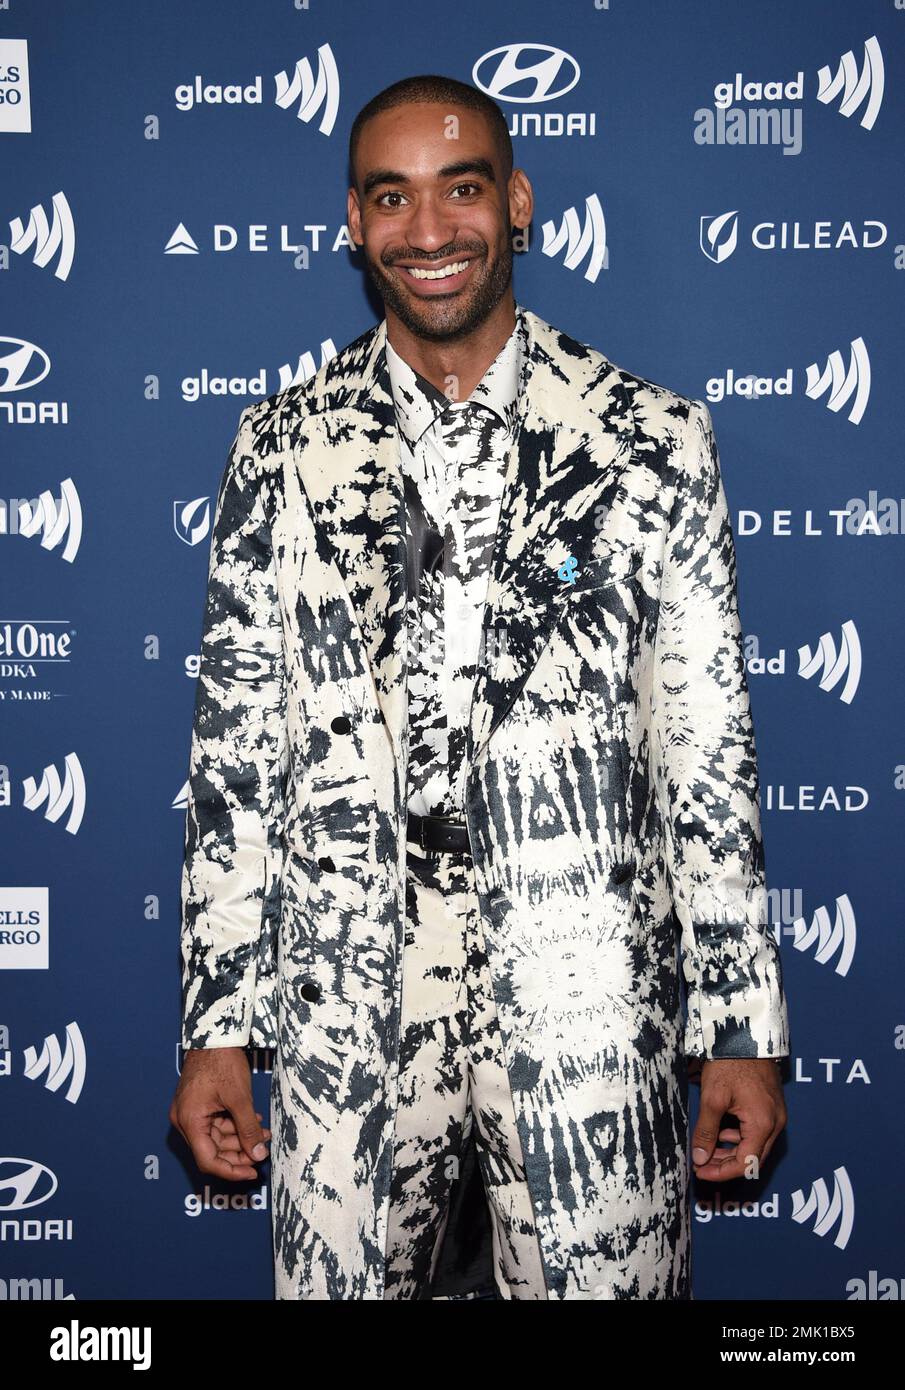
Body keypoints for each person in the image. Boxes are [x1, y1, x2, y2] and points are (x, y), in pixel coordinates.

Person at [169, 73, 790, 1301]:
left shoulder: (651, 440)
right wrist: (214, 1024)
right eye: (390, 198)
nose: (430, 230)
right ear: (354, 223)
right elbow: (236, 758)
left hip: (586, 1016)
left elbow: (703, 751)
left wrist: (741, 1025)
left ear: (514, 201)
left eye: (460, 189)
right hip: (349, 1019)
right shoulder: (280, 445)